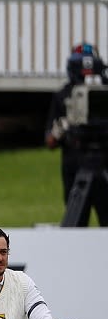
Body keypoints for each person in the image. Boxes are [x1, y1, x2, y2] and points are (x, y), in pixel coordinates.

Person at [45, 41, 108, 226]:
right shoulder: (63, 95)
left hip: (105, 164)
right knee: (77, 222)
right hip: (76, 167)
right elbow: (50, 141)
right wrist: (63, 128)